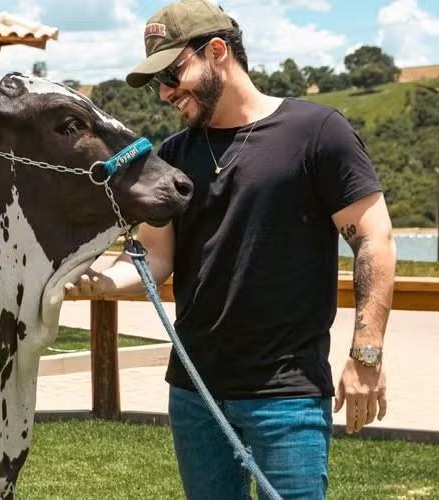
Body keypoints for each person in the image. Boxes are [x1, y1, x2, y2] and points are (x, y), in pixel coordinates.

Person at [65, 0, 397, 498]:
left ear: (217, 51)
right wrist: (93, 280)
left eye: (173, 74)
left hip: (287, 397)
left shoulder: (317, 133)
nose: (165, 93)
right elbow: (156, 260)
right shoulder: (173, 156)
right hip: (196, 395)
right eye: (159, 81)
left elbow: (374, 238)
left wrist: (366, 355)